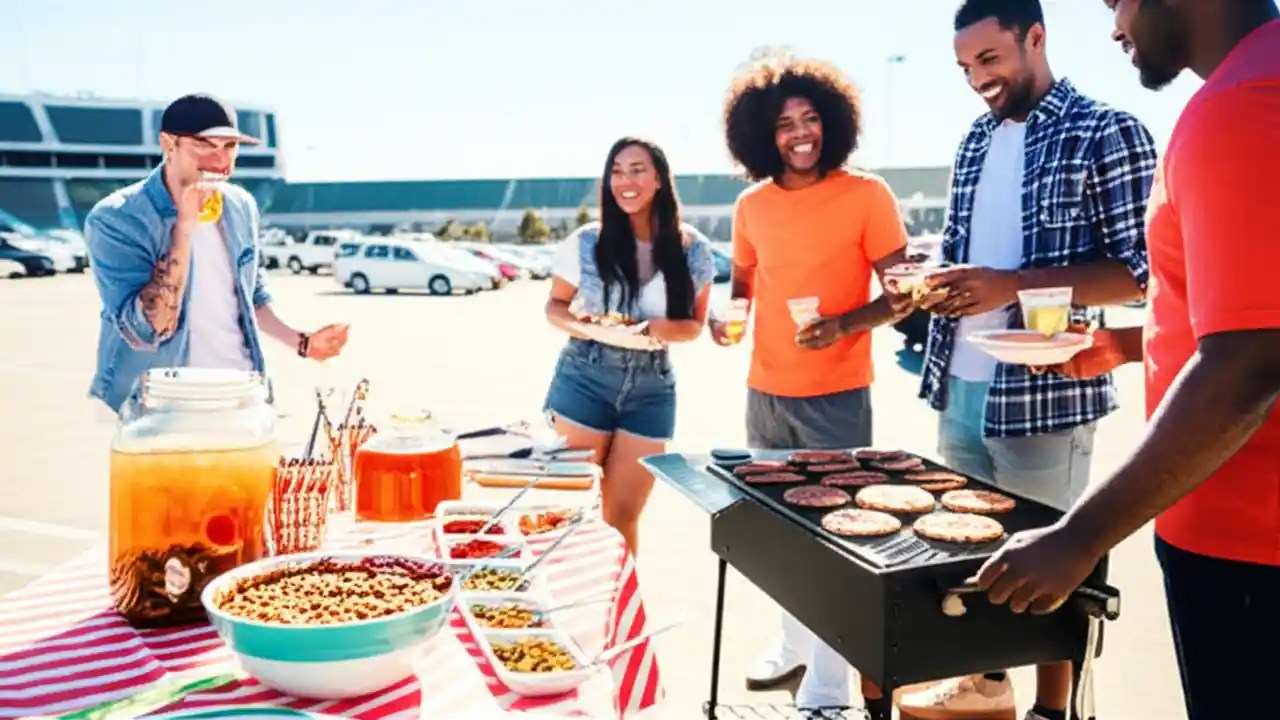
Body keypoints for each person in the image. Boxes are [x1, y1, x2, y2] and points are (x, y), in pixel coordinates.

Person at [977, 1, 1280, 718]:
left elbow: (1251, 362)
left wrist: (1079, 536)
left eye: (1116, 0)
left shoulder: (1239, 104)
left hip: (1250, 547)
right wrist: (1125, 347)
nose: (1114, 25)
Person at [895, 2, 1157, 719]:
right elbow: (967, 251)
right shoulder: (974, 142)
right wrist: (935, 281)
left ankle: (1053, 709)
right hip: (961, 385)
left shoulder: (1108, 130)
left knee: (1052, 561)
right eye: (964, 67)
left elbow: (1140, 274)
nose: (977, 79)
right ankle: (985, 686)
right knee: (967, 551)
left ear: (1035, 38)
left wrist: (1009, 287)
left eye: (989, 60)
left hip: (1047, 387)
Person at [712, 50, 912, 712]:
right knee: (781, 532)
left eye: (810, 119)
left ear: (831, 121)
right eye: (782, 124)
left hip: (836, 397)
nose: (800, 134)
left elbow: (903, 295)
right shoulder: (751, 205)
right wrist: (726, 321)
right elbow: (743, 288)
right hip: (765, 392)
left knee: (835, 537)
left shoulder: (867, 195)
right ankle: (794, 644)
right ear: (759, 136)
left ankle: (828, 689)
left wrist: (843, 324)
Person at [85, 93, 348, 414]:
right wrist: (183, 229)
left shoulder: (240, 206)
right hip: (161, 405)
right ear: (169, 143)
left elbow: (251, 297)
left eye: (229, 147)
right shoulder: (117, 217)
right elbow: (144, 331)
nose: (220, 161)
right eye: (205, 145)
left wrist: (302, 342)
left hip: (241, 393)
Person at [542, 137, 717, 555]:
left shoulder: (692, 248)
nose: (626, 180)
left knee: (621, 519)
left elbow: (692, 326)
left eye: (638, 169)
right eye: (617, 171)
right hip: (585, 376)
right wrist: (594, 331)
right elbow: (554, 307)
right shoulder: (587, 242)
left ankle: (618, 615)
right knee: (575, 511)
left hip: (652, 389)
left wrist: (646, 329)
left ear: (658, 179)